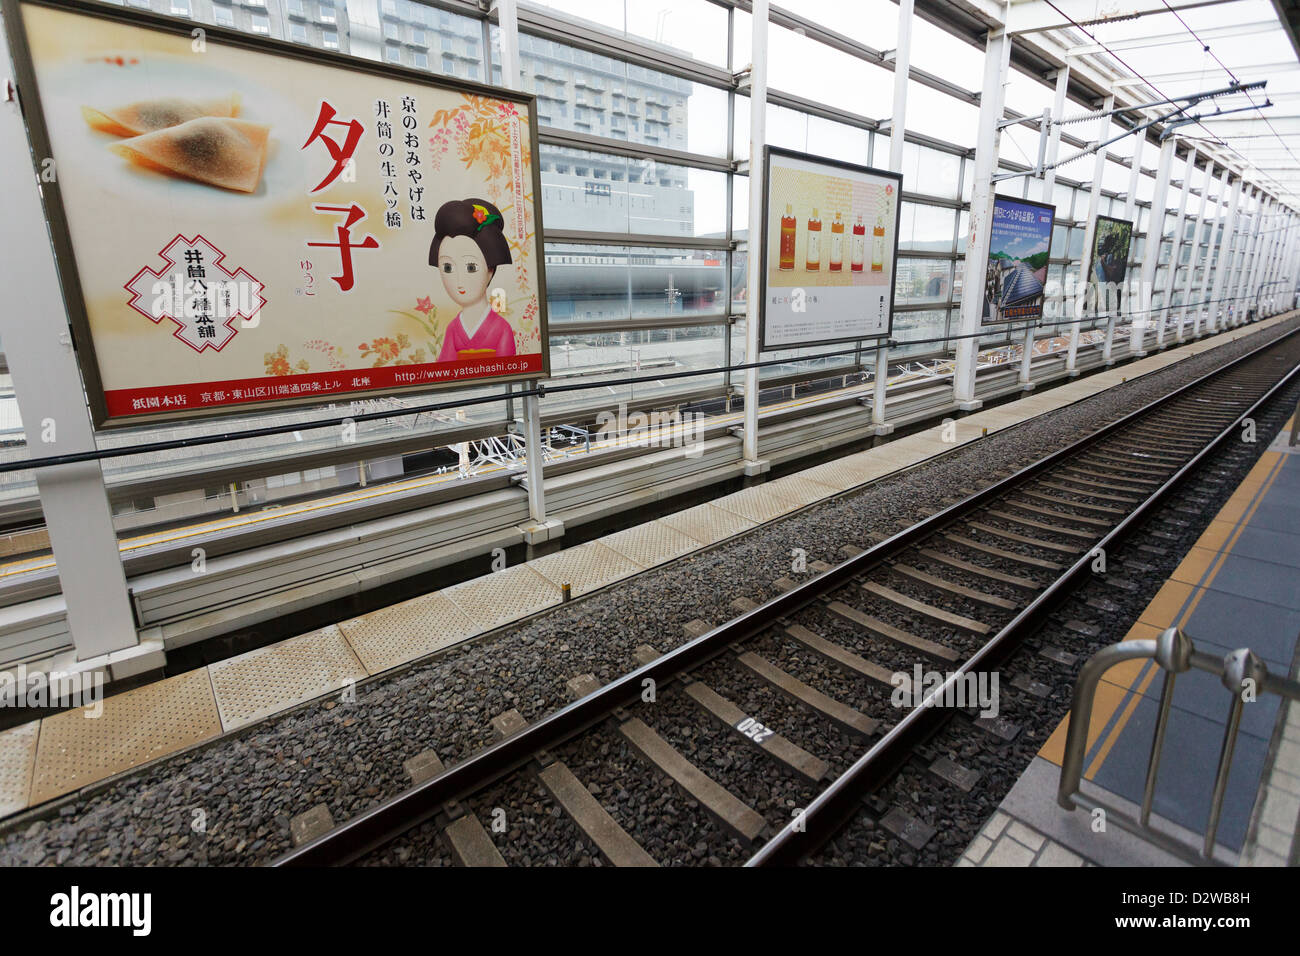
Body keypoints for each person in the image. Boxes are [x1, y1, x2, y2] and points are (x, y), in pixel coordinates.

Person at [429, 198, 516, 361]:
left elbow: (507, 371)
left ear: (490, 270)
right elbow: (444, 371)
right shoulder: (453, 329)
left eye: (471, 267)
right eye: (448, 268)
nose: (459, 280)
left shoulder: (502, 329)